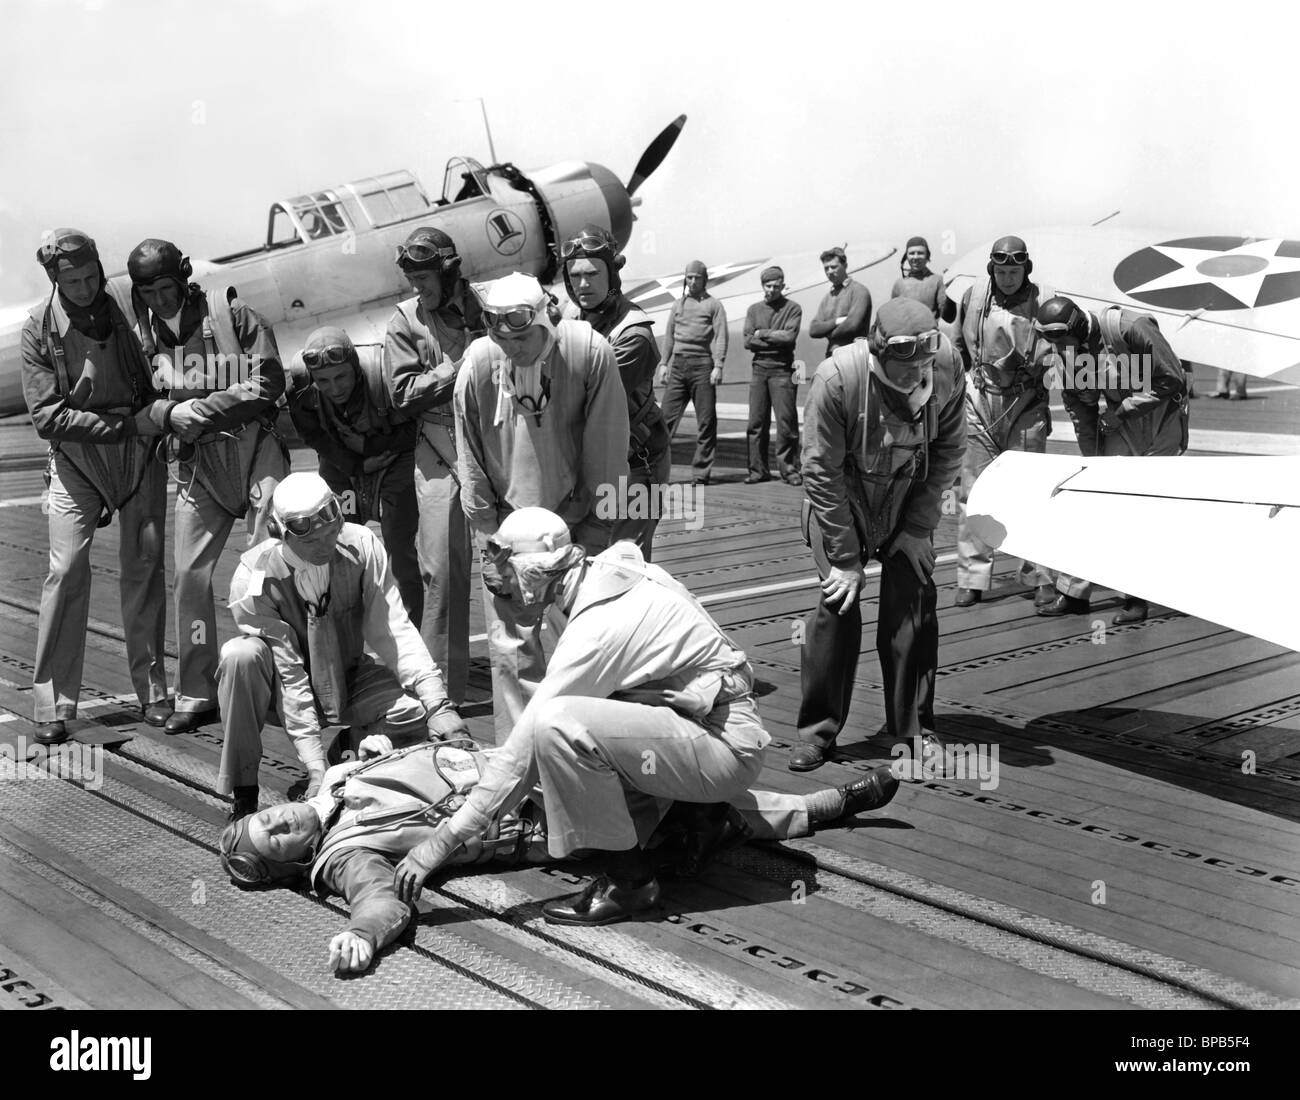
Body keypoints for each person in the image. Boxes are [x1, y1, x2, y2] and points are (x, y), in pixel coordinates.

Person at [380, 507, 901, 927]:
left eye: (509, 587)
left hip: (720, 745)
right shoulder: (610, 569)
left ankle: (630, 883)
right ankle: (808, 806)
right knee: (615, 778)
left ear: (536, 572)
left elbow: (525, 745)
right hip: (700, 734)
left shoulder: (599, 627)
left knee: (557, 727)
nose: (507, 602)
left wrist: (441, 843)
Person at [220, 730, 895, 971]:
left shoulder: (334, 778)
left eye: (266, 821)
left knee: (665, 770)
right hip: (537, 810)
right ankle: (826, 806)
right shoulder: (341, 854)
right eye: (276, 840)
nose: (278, 822)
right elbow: (377, 898)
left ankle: (819, 806)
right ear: (293, 864)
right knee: (673, 801)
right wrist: (363, 935)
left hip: (514, 761)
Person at [215, 472, 466, 821]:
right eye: (312, 542)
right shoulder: (252, 579)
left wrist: (439, 703)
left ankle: (347, 752)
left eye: (331, 534)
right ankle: (244, 791)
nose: (325, 546)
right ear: (279, 533)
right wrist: (313, 764)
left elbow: (393, 627)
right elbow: (290, 676)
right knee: (239, 656)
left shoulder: (361, 544)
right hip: (276, 689)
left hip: (347, 673)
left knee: (417, 712)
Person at [790, 298, 967, 773]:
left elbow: (949, 452)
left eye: (923, 367)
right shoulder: (836, 379)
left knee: (912, 604)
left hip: (908, 500)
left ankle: (914, 732)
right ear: (877, 353)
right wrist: (847, 559)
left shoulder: (947, 366)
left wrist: (916, 528)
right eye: (903, 369)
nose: (916, 379)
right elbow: (820, 472)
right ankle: (819, 733)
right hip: (842, 502)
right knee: (836, 608)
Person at [454, 272, 629, 743]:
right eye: (501, 337)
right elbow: (469, 454)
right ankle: (520, 764)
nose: (512, 348)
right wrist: (488, 542)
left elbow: (608, 446)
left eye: (523, 337)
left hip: (576, 520)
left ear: (547, 324)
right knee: (512, 653)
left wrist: (595, 529)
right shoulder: (479, 362)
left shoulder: (589, 352)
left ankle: (585, 752)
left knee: (584, 643)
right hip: (507, 530)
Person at [127, 238, 289, 734]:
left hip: (253, 450)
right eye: (148, 291)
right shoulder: (141, 340)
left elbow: (268, 381)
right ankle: (198, 690)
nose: (160, 299)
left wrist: (203, 409)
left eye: (166, 287)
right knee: (191, 576)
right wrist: (169, 412)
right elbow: (132, 406)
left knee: (268, 571)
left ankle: (280, 682)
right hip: (199, 467)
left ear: (184, 277)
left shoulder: (234, 316)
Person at [21, 229, 170, 745]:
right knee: (64, 571)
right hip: (77, 461)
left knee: (144, 565)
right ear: (55, 280)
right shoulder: (38, 328)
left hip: (138, 457)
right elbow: (46, 417)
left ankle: (153, 692)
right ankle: (51, 706)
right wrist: (128, 425)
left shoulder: (132, 308)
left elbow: (162, 369)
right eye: (73, 281)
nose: (85, 289)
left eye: (91, 277)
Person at [1033, 295, 1189, 622]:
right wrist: (1092, 459)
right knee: (1092, 500)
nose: (1060, 346)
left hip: (1160, 423)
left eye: (1062, 339)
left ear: (1076, 326)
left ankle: (1135, 598)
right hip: (1119, 421)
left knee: (1139, 511)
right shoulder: (1065, 347)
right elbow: (1078, 403)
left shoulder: (1130, 328)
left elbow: (1171, 378)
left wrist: (1122, 412)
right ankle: (1074, 592)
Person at [385, 228, 486, 704]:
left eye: (424, 278)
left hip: (495, 445)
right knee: (441, 572)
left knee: (520, 563)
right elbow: (403, 395)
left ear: (447, 272)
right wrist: (460, 364)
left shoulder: (488, 307)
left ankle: (541, 688)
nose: (416, 289)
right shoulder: (404, 320)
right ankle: (442, 694)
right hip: (438, 448)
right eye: (411, 279)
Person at [951, 235, 1059, 609]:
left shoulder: (1044, 300)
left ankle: (1040, 575)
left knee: (1032, 491)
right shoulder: (974, 297)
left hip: (1026, 403)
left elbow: (1063, 352)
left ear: (1025, 269)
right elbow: (957, 350)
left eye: (1014, 270)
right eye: (1001, 270)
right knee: (973, 491)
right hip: (980, 401)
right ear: (992, 268)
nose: (1008, 277)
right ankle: (972, 576)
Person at [287, 326, 421, 621]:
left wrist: (370, 446)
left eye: (341, 376)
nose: (334, 389)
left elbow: (417, 428)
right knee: (336, 544)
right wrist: (356, 464)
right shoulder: (300, 386)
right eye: (323, 381)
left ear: (356, 369)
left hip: (393, 464)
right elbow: (313, 436)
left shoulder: (384, 373)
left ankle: (411, 635)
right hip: (342, 470)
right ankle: (346, 638)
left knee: (399, 549)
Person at [561, 224, 671, 556]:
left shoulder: (633, 334)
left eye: (593, 274)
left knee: (627, 566)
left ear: (612, 275)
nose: (583, 284)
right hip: (594, 463)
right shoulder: (574, 315)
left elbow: (581, 398)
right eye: (575, 274)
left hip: (635, 465)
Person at [657, 261, 728, 486]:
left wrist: (718, 365)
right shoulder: (677, 305)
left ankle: (700, 473)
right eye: (689, 277)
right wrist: (663, 363)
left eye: (697, 277)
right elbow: (669, 335)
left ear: (705, 279)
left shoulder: (714, 305)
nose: (693, 281)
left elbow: (721, 336)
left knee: (706, 422)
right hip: (678, 366)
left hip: (702, 367)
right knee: (663, 422)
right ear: (685, 279)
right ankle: (656, 472)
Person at [743, 266, 803, 485]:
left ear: (783, 285)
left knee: (786, 423)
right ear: (762, 285)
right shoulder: (753, 310)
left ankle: (790, 470)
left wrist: (763, 334)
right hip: (759, 370)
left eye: (777, 286)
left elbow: (789, 337)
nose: (772, 290)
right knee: (756, 423)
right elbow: (748, 341)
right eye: (768, 286)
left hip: (782, 370)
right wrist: (771, 337)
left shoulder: (793, 308)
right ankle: (758, 471)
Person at [808, 246, 872, 357]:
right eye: (826, 268)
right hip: (831, 356)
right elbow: (813, 330)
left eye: (833, 267)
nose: (830, 271)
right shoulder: (828, 297)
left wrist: (827, 333)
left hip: (854, 355)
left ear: (845, 266)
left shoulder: (859, 291)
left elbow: (852, 325)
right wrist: (837, 321)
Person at [890, 236, 948, 321]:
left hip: (929, 332)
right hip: (902, 332)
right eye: (912, 253)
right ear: (906, 256)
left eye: (920, 253)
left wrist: (949, 291)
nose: (915, 257)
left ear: (927, 256)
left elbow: (948, 317)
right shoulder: (899, 283)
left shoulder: (937, 280)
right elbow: (893, 314)